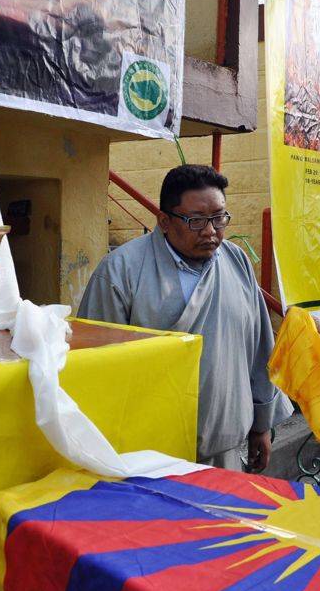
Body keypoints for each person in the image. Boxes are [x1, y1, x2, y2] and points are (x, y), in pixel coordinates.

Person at [78, 165, 292, 470]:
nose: (210, 231)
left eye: (219, 218)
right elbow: (95, 369)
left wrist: (262, 424)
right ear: (164, 221)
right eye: (195, 221)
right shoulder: (119, 272)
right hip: (145, 458)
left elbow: (259, 347)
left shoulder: (236, 261)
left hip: (225, 450)